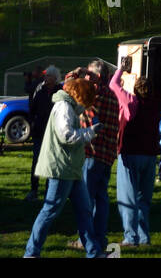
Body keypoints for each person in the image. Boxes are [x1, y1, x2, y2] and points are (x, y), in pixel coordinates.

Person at [24, 73, 104, 259]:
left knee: (84, 211)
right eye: (86, 99)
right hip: (61, 168)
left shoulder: (68, 106)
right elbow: (66, 136)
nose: (86, 105)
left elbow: (70, 123)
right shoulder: (64, 107)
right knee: (50, 210)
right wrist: (90, 132)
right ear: (80, 95)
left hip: (71, 168)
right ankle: (31, 252)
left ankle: (93, 252)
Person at [109, 70, 161, 248]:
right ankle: (144, 236)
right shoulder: (155, 105)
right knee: (143, 199)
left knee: (127, 197)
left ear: (136, 90)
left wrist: (121, 69)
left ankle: (130, 237)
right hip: (150, 155)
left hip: (130, 153)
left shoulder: (132, 102)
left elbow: (113, 85)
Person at [84, 59, 120, 251]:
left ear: (97, 77)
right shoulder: (112, 95)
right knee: (101, 198)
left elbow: (72, 87)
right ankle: (100, 238)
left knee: (86, 199)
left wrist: (78, 73)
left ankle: (87, 241)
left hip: (93, 153)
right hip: (107, 154)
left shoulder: (97, 94)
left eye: (89, 75)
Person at [27, 64, 61, 200]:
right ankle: (33, 190)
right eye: (45, 76)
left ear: (55, 78)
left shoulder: (60, 93)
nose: (46, 78)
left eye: (48, 76)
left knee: (51, 162)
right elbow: (32, 109)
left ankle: (49, 191)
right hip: (39, 132)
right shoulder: (40, 91)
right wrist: (32, 122)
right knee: (36, 161)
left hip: (53, 133)